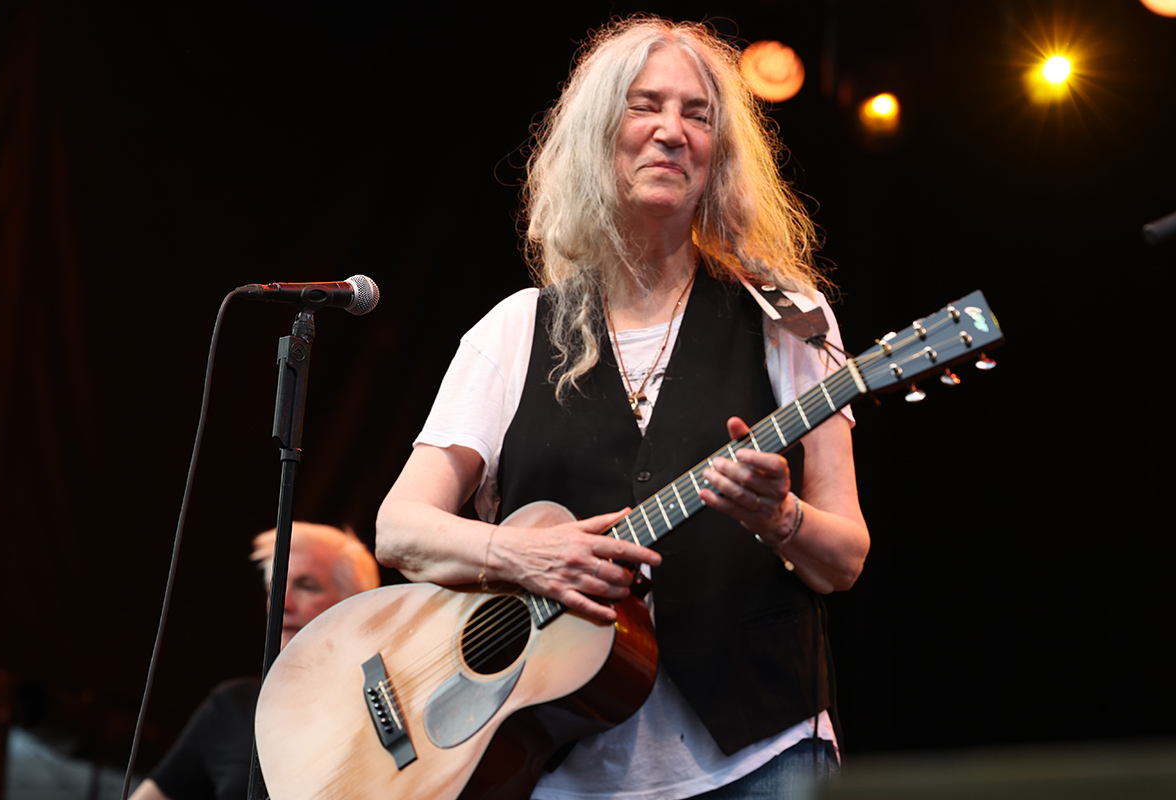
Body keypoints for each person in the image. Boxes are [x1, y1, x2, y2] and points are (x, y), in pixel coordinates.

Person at [376, 16, 869, 800]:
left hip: (759, 759)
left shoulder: (789, 316)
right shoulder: (515, 329)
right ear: (599, 136)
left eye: (698, 114)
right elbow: (400, 528)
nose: (672, 132)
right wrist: (522, 555)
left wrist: (783, 519)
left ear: (720, 155)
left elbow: (845, 558)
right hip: (563, 767)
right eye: (646, 106)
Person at [129, 523, 380, 800]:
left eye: (307, 586)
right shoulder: (233, 705)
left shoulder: (385, 701)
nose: (282, 604)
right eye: (275, 588)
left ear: (355, 604)